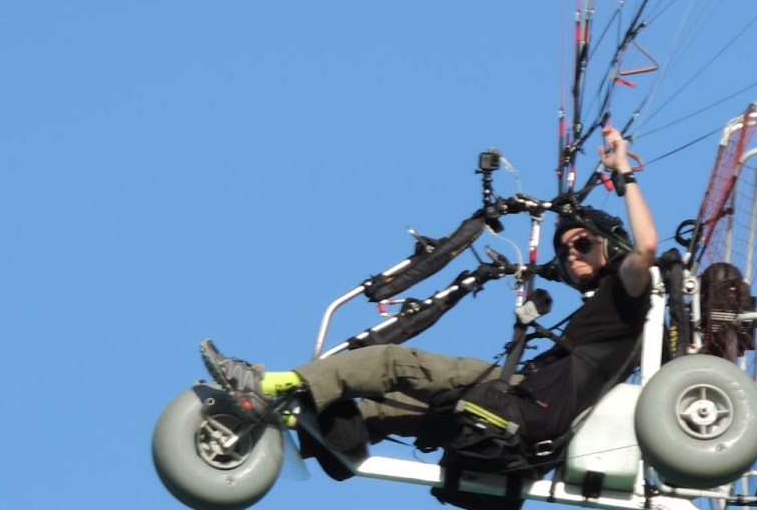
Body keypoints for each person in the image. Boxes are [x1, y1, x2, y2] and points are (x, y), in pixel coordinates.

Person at [201, 124, 659, 458]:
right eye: (564, 251)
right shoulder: (601, 311)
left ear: (608, 247)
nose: (573, 254)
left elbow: (647, 246)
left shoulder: (627, 296)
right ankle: (299, 422)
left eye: (582, 244)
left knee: (394, 363)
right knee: (379, 410)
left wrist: (623, 173)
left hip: (525, 404)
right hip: (529, 409)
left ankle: (266, 385)